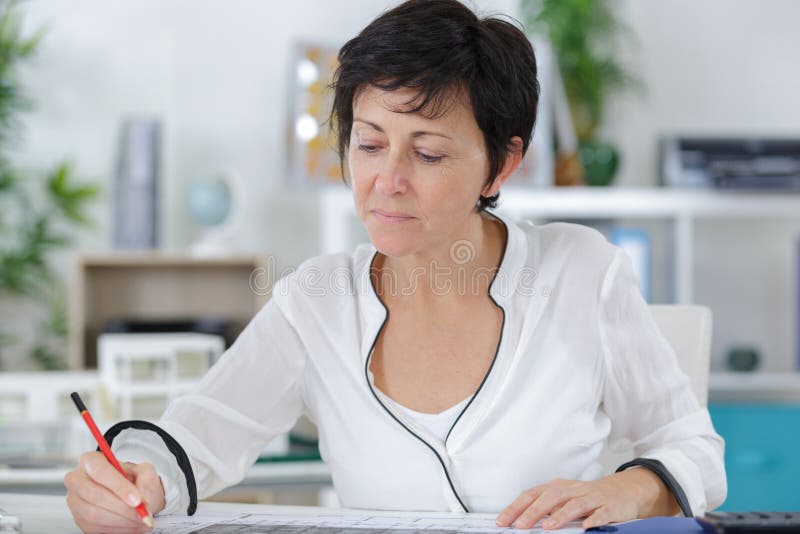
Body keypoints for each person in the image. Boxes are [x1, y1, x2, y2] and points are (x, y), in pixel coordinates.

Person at [64, 0, 726, 531]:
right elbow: (194, 437)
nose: (387, 181)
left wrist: (630, 490)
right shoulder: (316, 300)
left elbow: (693, 447)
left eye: (428, 154)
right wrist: (132, 480)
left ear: (501, 165)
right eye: (369, 144)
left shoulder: (583, 272)